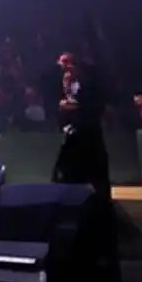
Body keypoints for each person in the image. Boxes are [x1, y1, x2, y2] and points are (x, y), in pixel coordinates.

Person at [51, 51, 110, 197]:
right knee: (70, 170)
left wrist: (75, 106)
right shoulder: (67, 81)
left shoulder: (89, 82)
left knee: (95, 169)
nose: (65, 71)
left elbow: (95, 105)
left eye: (67, 66)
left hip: (89, 132)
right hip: (74, 131)